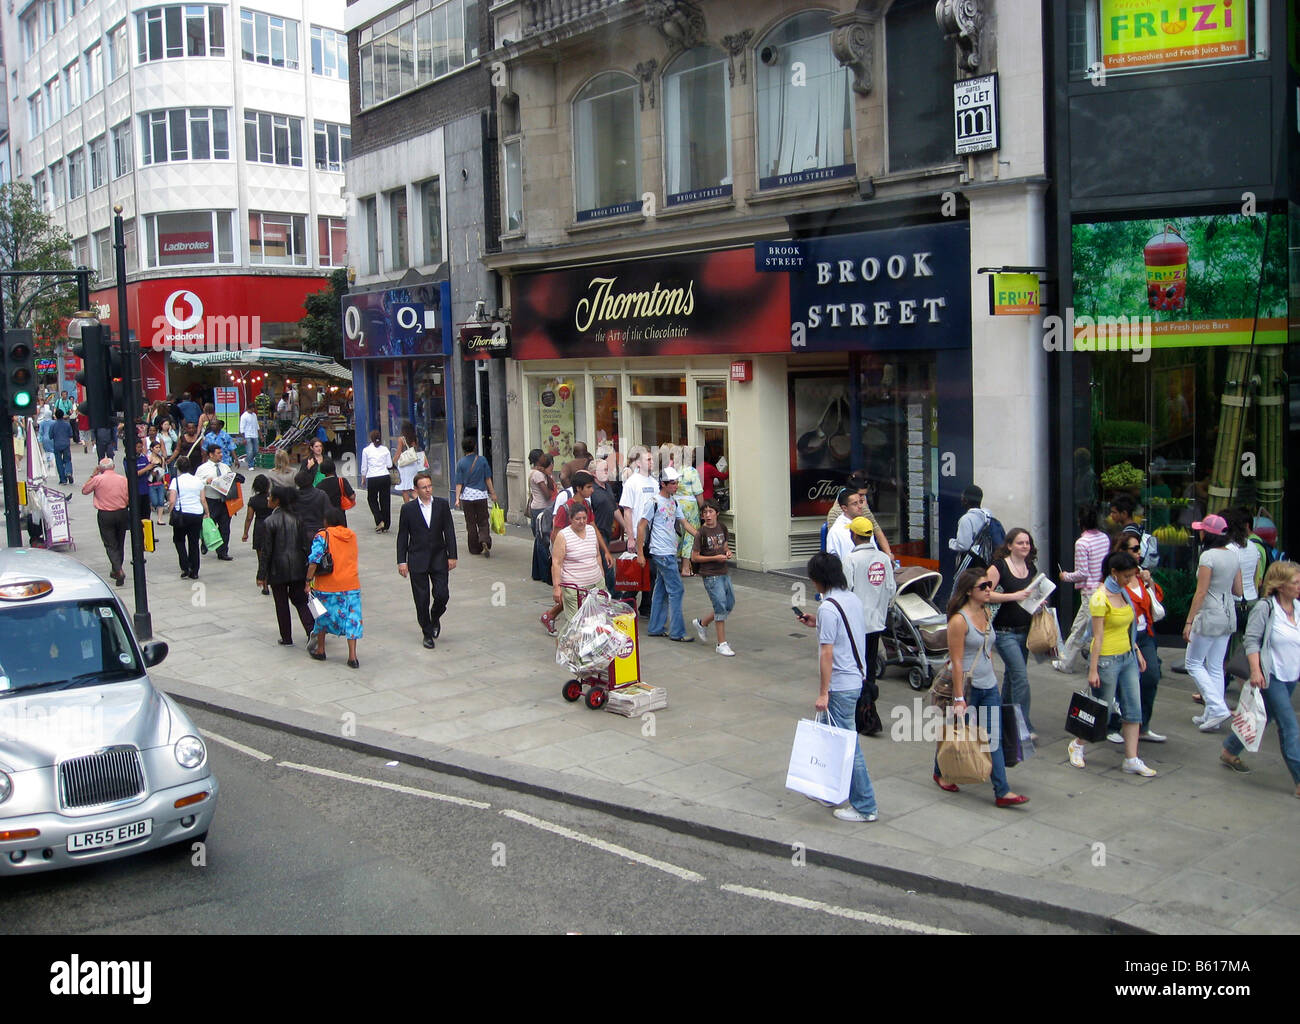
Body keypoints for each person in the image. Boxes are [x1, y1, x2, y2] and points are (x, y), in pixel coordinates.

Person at [794, 552, 880, 823]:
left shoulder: (828, 608)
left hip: (841, 686)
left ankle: (865, 806)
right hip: (855, 677)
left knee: (847, 745)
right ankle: (830, 790)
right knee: (833, 741)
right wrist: (816, 623)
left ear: (819, 579)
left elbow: (827, 654)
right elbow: (849, 631)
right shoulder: (850, 599)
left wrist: (823, 692)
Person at [934, 567, 1032, 804]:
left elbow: (987, 648)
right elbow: (956, 662)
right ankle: (940, 771)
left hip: (989, 685)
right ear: (969, 591)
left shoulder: (987, 612)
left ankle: (1002, 791)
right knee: (958, 734)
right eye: (983, 587)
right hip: (967, 687)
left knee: (992, 737)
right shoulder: (959, 620)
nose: (989, 589)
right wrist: (958, 698)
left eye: (990, 585)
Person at [1067, 551, 1158, 777]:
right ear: (1114, 573)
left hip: (1127, 656)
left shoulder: (1123, 593)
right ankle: (1078, 744)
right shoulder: (1100, 597)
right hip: (1107, 660)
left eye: (1131, 575)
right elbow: (1097, 637)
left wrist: (1136, 651)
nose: (1129, 580)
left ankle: (1131, 758)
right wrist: (1093, 668)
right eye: (1126, 576)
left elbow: (1128, 628)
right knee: (1102, 711)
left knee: (1133, 708)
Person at [1219, 562, 1300, 796]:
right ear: (1280, 585)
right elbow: (1252, 640)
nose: (1298, 586)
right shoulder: (1265, 608)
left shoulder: (1297, 607)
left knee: (1265, 717)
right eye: (1295, 582)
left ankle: (1229, 750)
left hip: (1290, 676)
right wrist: (1256, 671)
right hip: (1270, 675)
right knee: (1289, 727)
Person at [1105, 533, 1167, 744]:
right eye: (1134, 549)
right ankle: (1112, 724)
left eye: (1139, 549)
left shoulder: (1141, 575)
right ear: (1122, 551)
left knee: (1151, 677)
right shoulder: (1114, 581)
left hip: (1144, 634)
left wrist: (1149, 583)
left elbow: (1154, 601)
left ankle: (1141, 726)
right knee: (1117, 684)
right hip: (1123, 636)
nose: (1139, 553)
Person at [1184, 513, 1244, 732]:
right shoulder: (1234, 555)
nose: (1199, 532)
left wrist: (1189, 621)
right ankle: (1212, 714)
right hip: (1228, 614)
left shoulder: (1207, 557)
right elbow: (1238, 591)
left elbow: (1200, 593)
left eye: (1201, 529)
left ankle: (1217, 708)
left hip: (1209, 614)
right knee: (1216, 666)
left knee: (1193, 663)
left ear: (1207, 534)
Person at [396, 470, 458, 649]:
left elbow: (449, 531)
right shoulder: (408, 509)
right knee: (421, 598)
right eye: (424, 487)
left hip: (439, 557)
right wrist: (402, 561)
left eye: (430, 486)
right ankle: (427, 631)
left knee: (442, 594)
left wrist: (452, 555)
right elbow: (402, 536)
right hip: (417, 559)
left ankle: (435, 615)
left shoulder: (441, 505)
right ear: (416, 490)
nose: (428, 490)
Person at [985, 528, 1037, 738]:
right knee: (1020, 677)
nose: (1025, 546)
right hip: (1004, 632)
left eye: (1027, 543)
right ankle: (1022, 726)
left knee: (1012, 677)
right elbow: (985, 593)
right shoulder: (999, 567)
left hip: (1025, 630)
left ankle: (1002, 719)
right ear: (1009, 545)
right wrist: (1013, 596)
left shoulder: (1030, 567)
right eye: (1020, 543)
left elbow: (1032, 594)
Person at [641, 467, 700, 642]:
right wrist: (639, 553)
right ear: (663, 484)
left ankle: (656, 627)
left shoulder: (673, 502)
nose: (676, 485)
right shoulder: (654, 501)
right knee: (676, 590)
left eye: (676, 482)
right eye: (672, 483)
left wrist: (701, 536)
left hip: (668, 551)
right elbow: (641, 525)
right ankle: (677, 632)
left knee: (661, 589)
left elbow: (684, 523)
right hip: (662, 552)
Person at [1053, 506, 1112, 673]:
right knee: (1085, 628)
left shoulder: (1082, 543)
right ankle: (1067, 661)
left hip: (1089, 593)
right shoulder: (1105, 538)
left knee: (1084, 630)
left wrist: (1065, 576)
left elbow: (1083, 573)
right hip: (1102, 588)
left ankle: (1070, 663)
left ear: (1081, 523)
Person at [305, 507, 363, 669]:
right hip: (351, 584)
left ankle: (321, 650)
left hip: (327, 585)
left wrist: (308, 581)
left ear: (327, 521)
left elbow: (314, 560)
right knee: (353, 619)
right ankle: (352, 656)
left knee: (321, 617)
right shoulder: (351, 535)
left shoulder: (322, 536)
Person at [258, 485, 315, 646]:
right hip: (297, 566)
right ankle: (311, 629)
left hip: (277, 569)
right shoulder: (298, 519)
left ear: (277, 500)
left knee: (281, 603)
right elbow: (305, 546)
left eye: (270, 497)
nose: (267, 499)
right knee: (300, 600)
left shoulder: (269, 522)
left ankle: (286, 637)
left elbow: (266, 551)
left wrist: (261, 574)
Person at [843, 516, 896, 684]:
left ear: (855, 535)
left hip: (856, 622)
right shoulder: (884, 558)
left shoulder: (850, 560)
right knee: (871, 661)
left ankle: (860, 698)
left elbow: (846, 590)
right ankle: (870, 696)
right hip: (877, 620)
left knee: (856, 664)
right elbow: (891, 588)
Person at [551, 503, 611, 626]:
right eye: (577, 519)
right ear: (570, 519)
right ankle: (565, 644)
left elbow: (597, 555)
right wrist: (557, 588)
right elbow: (556, 563)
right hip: (574, 588)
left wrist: (601, 574)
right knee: (575, 624)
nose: (581, 522)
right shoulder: (563, 535)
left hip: (596, 584)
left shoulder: (591, 530)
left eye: (584, 518)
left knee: (598, 621)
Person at [690, 500, 736, 656]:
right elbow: (695, 557)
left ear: (717, 513)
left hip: (723, 571)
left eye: (710, 512)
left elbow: (724, 545)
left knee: (729, 604)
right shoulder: (700, 534)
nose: (707, 515)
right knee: (720, 606)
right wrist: (714, 557)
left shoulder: (722, 527)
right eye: (705, 513)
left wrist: (727, 552)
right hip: (710, 575)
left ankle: (702, 623)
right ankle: (721, 643)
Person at [619, 446, 660, 616]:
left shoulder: (654, 482)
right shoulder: (632, 483)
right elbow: (627, 511)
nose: (651, 462)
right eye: (648, 459)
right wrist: (630, 537)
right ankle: (626, 602)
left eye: (652, 459)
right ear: (637, 462)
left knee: (651, 572)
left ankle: (647, 605)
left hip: (653, 534)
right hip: (638, 533)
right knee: (637, 570)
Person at [81, 457, 132, 587]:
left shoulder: (98, 479)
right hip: (121, 512)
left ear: (101, 469)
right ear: (113, 467)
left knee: (110, 543)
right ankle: (117, 568)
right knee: (120, 541)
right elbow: (129, 496)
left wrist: (93, 474)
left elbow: (85, 490)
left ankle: (118, 569)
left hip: (105, 514)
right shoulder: (123, 479)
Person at [454, 436, 498, 558]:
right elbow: (487, 478)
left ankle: (474, 548)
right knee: (483, 520)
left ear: (463, 449)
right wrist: (493, 493)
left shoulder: (461, 463)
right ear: (474, 447)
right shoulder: (482, 460)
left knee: (471, 522)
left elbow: (459, 483)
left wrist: (457, 498)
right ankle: (484, 539)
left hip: (467, 497)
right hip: (481, 495)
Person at [166, 455, 208, 580]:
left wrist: (170, 511)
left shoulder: (176, 481)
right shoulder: (198, 481)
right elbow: (203, 499)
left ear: (178, 468)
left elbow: (172, 500)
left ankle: (185, 566)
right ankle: (195, 570)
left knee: (179, 540)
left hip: (182, 515)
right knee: (194, 542)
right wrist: (207, 512)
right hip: (196, 513)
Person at [668, 446, 704, 577]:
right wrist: (703, 509)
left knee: (677, 534)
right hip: (690, 506)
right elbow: (698, 492)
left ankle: (672, 565)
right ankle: (685, 568)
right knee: (690, 535)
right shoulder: (691, 471)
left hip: (675, 504)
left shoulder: (673, 470)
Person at [195, 444, 235, 560]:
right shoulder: (202, 469)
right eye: (218, 453)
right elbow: (196, 483)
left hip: (224, 501)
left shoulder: (225, 467)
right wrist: (205, 481)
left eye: (221, 453)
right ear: (211, 455)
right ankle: (205, 542)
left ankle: (222, 552)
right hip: (210, 500)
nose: (221, 455)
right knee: (209, 525)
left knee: (225, 527)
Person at [948, 484, 996, 570]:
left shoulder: (966, 519)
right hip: (987, 561)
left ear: (966, 500)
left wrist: (951, 542)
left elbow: (964, 545)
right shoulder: (988, 515)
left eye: (962, 497)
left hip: (973, 564)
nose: (961, 499)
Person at [241, 473, 273, 595]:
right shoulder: (272, 497)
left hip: (259, 527)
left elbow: (249, 518)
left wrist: (245, 533)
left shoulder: (253, 500)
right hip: (272, 526)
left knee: (261, 558)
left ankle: (264, 585)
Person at [1109, 494, 1158, 569]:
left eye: (1114, 512)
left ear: (1124, 514)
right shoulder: (1136, 527)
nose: (1111, 515)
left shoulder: (1129, 533)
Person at [361, 430, 394, 533]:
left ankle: (379, 520)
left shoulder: (366, 450)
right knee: (385, 500)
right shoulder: (385, 450)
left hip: (373, 477)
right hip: (384, 476)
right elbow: (389, 465)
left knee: (372, 499)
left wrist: (363, 477)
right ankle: (386, 524)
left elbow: (364, 466)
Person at [293, 466, 330, 554]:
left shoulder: (293, 497)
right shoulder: (321, 495)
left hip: (299, 534)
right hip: (319, 532)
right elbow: (328, 515)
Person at [315, 458, 356, 527]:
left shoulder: (319, 485)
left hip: (326, 516)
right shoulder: (342, 481)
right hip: (340, 514)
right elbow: (352, 496)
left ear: (322, 471)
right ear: (334, 468)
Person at [395, 421, 424, 502]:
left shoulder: (401, 439)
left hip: (405, 466)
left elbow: (398, 453)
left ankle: (407, 506)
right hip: (413, 465)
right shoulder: (415, 438)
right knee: (413, 487)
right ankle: (420, 504)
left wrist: (393, 462)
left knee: (405, 489)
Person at [528, 450, 555, 532]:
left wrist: (546, 473)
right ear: (538, 459)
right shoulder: (537, 474)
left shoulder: (539, 472)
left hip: (540, 506)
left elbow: (552, 487)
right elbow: (547, 495)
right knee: (542, 536)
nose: (545, 458)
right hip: (541, 507)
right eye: (543, 456)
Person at [49, 408, 74, 484]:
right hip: (66, 444)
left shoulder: (53, 425)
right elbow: (71, 435)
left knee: (59, 462)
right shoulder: (67, 424)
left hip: (57, 445)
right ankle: (68, 472)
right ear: (63, 415)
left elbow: (50, 436)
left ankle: (63, 479)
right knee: (68, 460)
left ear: (55, 416)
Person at [148, 441, 169, 524]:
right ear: (151, 448)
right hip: (151, 482)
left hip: (160, 482)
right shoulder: (149, 458)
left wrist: (165, 482)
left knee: (161, 501)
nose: (158, 449)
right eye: (156, 447)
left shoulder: (161, 458)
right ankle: (151, 507)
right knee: (155, 501)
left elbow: (163, 470)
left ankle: (160, 519)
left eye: (159, 447)